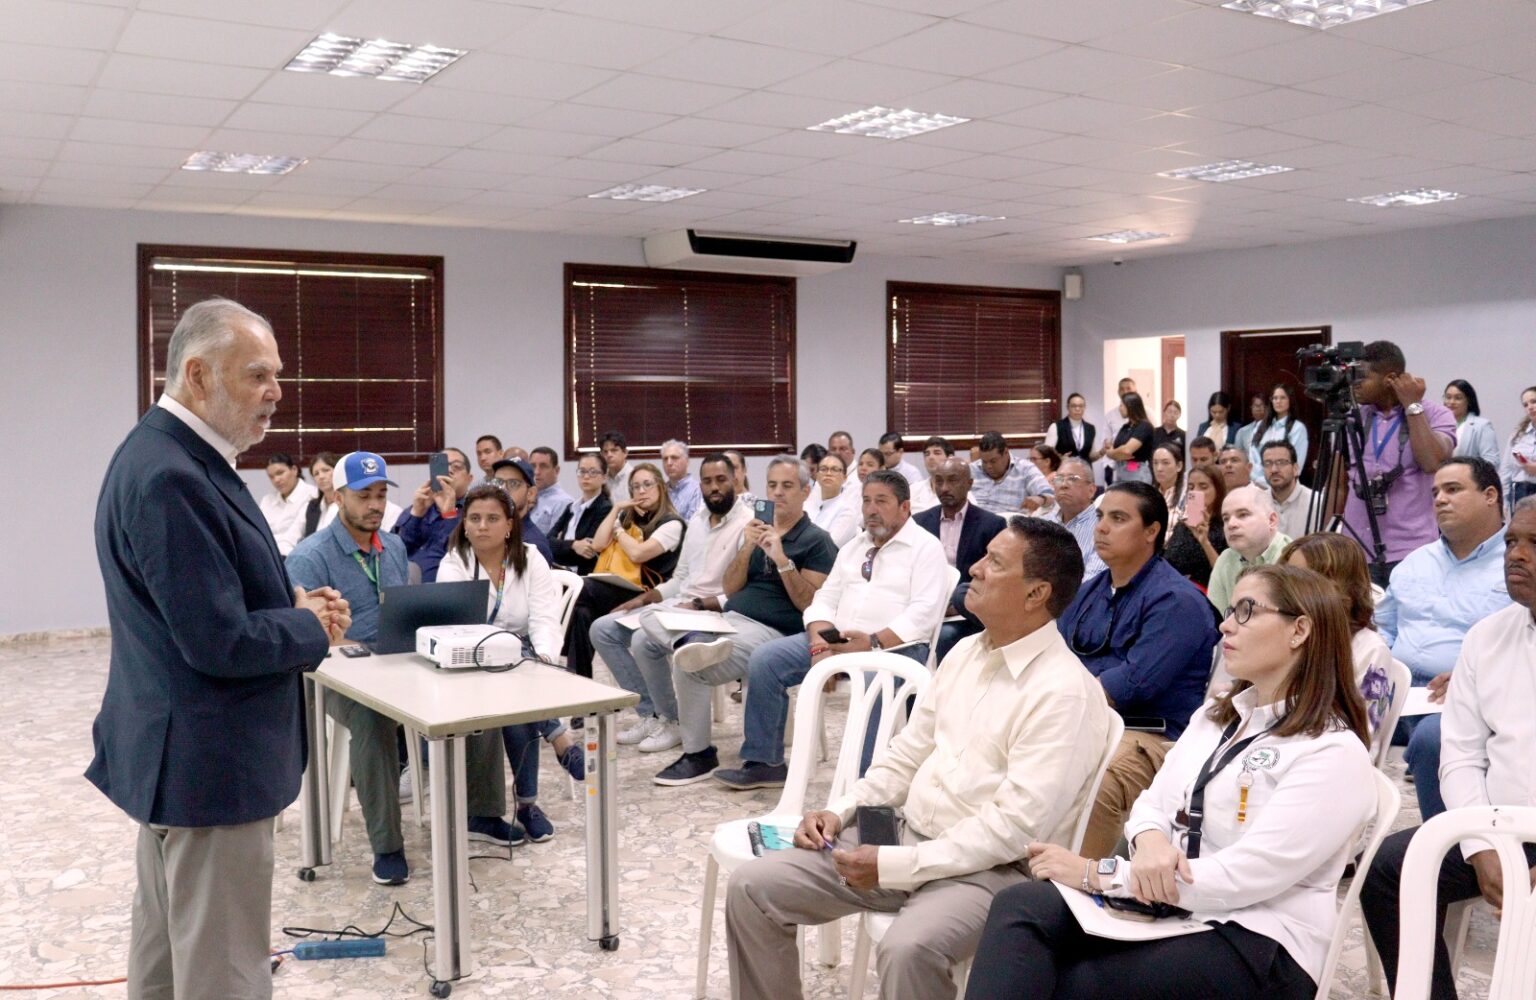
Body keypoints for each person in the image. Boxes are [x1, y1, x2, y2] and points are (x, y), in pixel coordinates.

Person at [727, 520, 1112, 1000]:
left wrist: (899, 864)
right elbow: (906, 755)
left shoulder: (1064, 693)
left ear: (1036, 594)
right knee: (753, 887)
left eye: (995, 562)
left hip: (989, 870)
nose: (974, 568)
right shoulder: (967, 651)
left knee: (910, 949)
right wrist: (840, 811)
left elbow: (1013, 829)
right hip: (906, 834)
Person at [90, 298, 347, 998]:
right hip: (212, 767)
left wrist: (288, 604)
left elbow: (202, 600)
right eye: (258, 375)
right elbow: (217, 640)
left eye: (277, 374)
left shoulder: (166, 454)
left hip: (179, 759)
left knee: (168, 960)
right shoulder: (173, 476)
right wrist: (309, 627)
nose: (276, 393)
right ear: (199, 375)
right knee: (224, 973)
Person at [968, 565, 1374, 1000]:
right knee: (1021, 906)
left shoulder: (1331, 752)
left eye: (1246, 611)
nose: (1226, 625)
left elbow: (1243, 877)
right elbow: (1152, 804)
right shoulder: (1217, 717)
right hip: (1172, 905)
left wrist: (1098, 874)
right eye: (1230, 611)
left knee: (1073, 983)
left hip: (1258, 938)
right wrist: (1151, 842)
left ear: (1299, 630)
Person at [288, 454, 518, 879]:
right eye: (363, 496)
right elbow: (307, 632)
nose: (375, 505)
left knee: (476, 689)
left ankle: (482, 813)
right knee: (373, 719)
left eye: (380, 495)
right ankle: (387, 846)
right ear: (338, 498)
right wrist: (350, 644)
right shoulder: (311, 556)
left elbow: (400, 613)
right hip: (336, 674)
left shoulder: (391, 546)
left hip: (397, 660)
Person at [1361, 497, 1536, 1000]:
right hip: (1501, 828)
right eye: (1511, 541)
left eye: (1534, 543)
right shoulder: (1488, 637)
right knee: (1388, 872)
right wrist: (1481, 846)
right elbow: (1460, 754)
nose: (1516, 554)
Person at [715, 470, 950, 788]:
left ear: (905, 507)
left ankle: (864, 786)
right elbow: (824, 599)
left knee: (872, 682)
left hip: (896, 648)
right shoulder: (855, 547)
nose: (871, 509)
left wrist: (872, 642)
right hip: (837, 640)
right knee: (765, 659)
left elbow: (923, 614)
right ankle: (764, 763)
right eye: (866, 501)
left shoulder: (925, 547)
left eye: (881, 501)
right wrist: (819, 643)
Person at [1057, 481, 1222, 857]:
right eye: (1101, 516)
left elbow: (1131, 686)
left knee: (1099, 780)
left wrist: (1054, 706)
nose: (1101, 528)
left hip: (1149, 735)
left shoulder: (1178, 601)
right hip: (1084, 716)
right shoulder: (1088, 592)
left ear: (1151, 531)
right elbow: (1056, 661)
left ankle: (1080, 882)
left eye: (1118, 519)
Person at [658, 456, 839, 785]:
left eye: (787, 486)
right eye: (772, 485)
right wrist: (748, 547)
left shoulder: (817, 541)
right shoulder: (758, 531)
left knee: (689, 664)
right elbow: (730, 588)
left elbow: (811, 604)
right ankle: (698, 749)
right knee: (663, 634)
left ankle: (699, 647)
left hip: (774, 630)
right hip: (731, 617)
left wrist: (782, 560)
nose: (778, 493)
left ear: (805, 491)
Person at [437, 482, 583, 843]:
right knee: (517, 688)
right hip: (470, 661)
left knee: (520, 688)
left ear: (509, 525)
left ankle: (528, 804)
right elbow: (458, 627)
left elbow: (545, 619)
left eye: (492, 518)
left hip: (526, 655)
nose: (482, 526)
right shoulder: (454, 563)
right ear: (464, 525)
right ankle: (557, 742)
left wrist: (544, 660)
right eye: (474, 518)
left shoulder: (530, 558)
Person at [588, 454, 750, 754]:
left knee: (643, 639)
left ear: (736, 479)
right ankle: (650, 714)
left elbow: (744, 589)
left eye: (720, 480)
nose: (714, 487)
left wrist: (701, 604)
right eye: (707, 481)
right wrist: (644, 598)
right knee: (602, 629)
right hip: (679, 604)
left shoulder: (748, 524)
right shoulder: (698, 522)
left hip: (714, 610)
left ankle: (671, 720)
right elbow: (682, 578)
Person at [1379, 458, 1510, 819]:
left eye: (1453, 490)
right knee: (1320, 718)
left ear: (1490, 496)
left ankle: (1452, 846)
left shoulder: (1517, 563)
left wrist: (1474, 680)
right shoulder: (1415, 562)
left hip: (1471, 695)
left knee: (1433, 738)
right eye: (1435, 492)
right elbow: (1383, 628)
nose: (1439, 499)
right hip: (1398, 693)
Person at [1340, 340, 1456, 586]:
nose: (1354, 383)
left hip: (1411, 549)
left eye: (1362, 377)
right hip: (1356, 549)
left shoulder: (1435, 414)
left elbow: (1431, 461)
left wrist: (1412, 406)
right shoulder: (1352, 418)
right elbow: (1339, 482)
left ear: (1390, 379)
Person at [563, 462, 685, 679]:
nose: (641, 491)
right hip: (620, 586)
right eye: (636, 487)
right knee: (582, 612)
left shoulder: (671, 524)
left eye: (647, 484)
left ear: (660, 487)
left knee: (582, 587)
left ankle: (573, 671)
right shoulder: (627, 518)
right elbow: (598, 544)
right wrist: (616, 509)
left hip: (649, 593)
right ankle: (580, 681)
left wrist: (618, 531)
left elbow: (638, 554)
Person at [1280, 533, 1394, 732]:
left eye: (1300, 579)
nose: (1288, 589)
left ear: (1336, 587)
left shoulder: (1370, 649)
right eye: (1287, 578)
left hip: (1327, 745)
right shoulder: (1284, 630)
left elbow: (1365, 730)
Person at [916, 456, 1006, 661]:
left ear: (969, 484)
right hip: (925, 607)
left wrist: (957, 604)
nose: (944, 488)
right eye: (938, 481)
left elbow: (995, 578)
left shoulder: (991, 524)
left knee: (945, 637)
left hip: (965, 611)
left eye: (953, 480)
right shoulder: (919, 522)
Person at [1206, 485, 1291, 615]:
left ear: (1271, 520)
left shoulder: (1292, 558)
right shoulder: (1225, 559)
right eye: (1226, 518)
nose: (1231, 524)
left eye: (1243, 515)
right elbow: (1215, 619)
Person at [395, 445, 474, 582]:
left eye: (456, 467)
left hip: (446, 588)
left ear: (469, 478)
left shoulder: (474, 511)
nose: (449, 470)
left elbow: (462, 555)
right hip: (404, 584)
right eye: (443, 466)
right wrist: (416, 514)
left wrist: (449, 514)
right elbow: (395, 551)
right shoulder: (421, 505)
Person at [549, 452, 614, 575]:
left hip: (585, 575)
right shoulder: (571, 507)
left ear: (604, 477)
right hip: (561, 572)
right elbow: (548, 541)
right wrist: (574, 545)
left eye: (593, 472)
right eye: (582, 471)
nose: (586, 476)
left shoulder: (605, 508)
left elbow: (587, 553)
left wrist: (560, 546)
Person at [1043, 457, 1107, 581]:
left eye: (1072, 479)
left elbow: (1092, 583)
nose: (1063, 485)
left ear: (1091, 490)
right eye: (1059, 479)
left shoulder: (1103, 528)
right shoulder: (1043, 523)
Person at [1164, 464, 1227, 589]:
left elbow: (1225, 576)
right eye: (1191, 487)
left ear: (1218, 490)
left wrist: (1205, 542)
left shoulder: (1226, 526)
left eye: (1203, 487)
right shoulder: (1182, 526)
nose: (1195, 492)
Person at [970, 431, 1055, 516]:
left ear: (1006, 452)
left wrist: (1041, 499)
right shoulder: (972, 470)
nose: (988, 466)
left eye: (993, 461)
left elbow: (1050, 495)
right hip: (975, 520)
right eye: (984, 462)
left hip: (1010, 521)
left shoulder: (1025, 469)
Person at [489, 457, 554, 563]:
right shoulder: (489, 533)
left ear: (530, 494)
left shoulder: (533, 545)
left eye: (513, 484)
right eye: (498, 483)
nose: (503, 489)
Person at [257, 452, 319, 556]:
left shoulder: (313, 495)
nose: (276, 480)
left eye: (280, 473)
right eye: (271, 476)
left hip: (298, 556)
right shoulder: (267, 500)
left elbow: (298, 535)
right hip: (267, 555)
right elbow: (259, 533)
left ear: (294, 470)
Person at [1245, 384, 1309, 483]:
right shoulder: (1261, 426)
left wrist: (1273, 482)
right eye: (1275, 398)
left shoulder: (1298, 428)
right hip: (1257, 483)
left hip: (1285, 484)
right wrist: (1259, 480)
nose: (1278, 401)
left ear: (1290, 400)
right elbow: (1253, 457)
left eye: (1282, 398)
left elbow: (1297, 464)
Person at [1262, 440, 1315, 540]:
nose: (1274, 470)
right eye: (1268, 463)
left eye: (1281, 463)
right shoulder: (1257, 502)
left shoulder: (1316, 502)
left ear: (1295, 469)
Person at [1443, 379, 1499, 468]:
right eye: (1448, 397)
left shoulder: (1482, 426)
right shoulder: (1438, 425)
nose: (1452, 402)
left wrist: (1467, 471)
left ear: (1468, 401)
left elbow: (1492, 462)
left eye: (1458, 398)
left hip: (1467, 476)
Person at [809, 451, 859, 548]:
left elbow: (830, 547)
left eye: (835, 470)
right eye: (823, 469)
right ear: (817, 476)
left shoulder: (847, 511)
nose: (828, 473)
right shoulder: (807, 506)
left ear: (844, 478)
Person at [1103, 392, 1154, 485]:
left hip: (1137, 473)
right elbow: (1112, 448)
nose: (1120, 408)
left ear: (1130, 406)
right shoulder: (1125, 427)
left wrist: (1112, 453)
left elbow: (1127, 450)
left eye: (1122, 405)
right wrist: (1113, 453)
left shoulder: (1144, 426)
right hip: (1120, 472)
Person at [1502, 384, 1536, 510]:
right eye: (1526, 405)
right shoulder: (1518, 434)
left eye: (1534, 402)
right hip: (1520, 491)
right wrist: (1504, 500)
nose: (1530, 407)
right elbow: (1506, 469)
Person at [527, 446, 574, 536]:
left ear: (556, 470)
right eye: (533, 466)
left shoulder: (563, 502)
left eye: (543, 466)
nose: (536, 472)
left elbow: (555, 540)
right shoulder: (525, 497)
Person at [1043, 392, 1096, 460]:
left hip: (1085, 467)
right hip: (1064, 466)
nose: (1077, 409)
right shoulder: (1056, 427)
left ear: (1084, 407)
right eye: (1074, 406)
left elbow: (1091, 456)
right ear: (1068, 407)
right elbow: (1047, 454)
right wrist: (1060, 459)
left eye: (1081, 406)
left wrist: (1102, 452)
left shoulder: (1090, 428)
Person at [661, 438, 703, 521]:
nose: (669, 463)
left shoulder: (697, 490)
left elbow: (694, 523)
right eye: (665, 459)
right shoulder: (661, 490)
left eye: (674, 458)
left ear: (687, 461)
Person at [303, 451, 340, 539]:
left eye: (326, 470)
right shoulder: (313, 506)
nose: (321, 476)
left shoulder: (348, 505)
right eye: (316, 474)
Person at [599, 429, 633, 503]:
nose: (609, 455)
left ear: (625, 453)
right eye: (605, 452)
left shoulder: (634, 477)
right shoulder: (600, 479)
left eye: (614, 450)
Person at [1150, 442, 1183, 514]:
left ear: (1179, 466)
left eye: (1165, 463)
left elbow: (1196, 520)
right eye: (1155, 463)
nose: (1159, 468)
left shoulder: (1189, 494)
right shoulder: (1148, 494)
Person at [1232, 391, 1268, 456]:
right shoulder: (1242, 432)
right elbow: (1238, 455)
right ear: (1251, 408)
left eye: (1262, 405)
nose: (1258, 409)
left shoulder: (1275, 429)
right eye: (1255, 406)